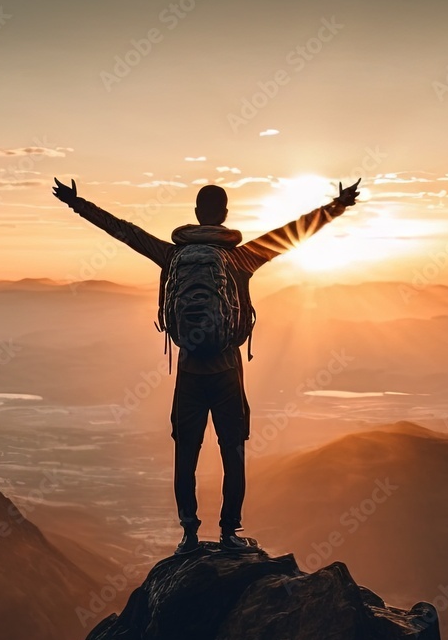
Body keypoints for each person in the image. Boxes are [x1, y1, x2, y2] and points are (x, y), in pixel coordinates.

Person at [53, 176, 360, 554]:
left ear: (197, 214)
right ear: (225, 215)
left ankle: (188, 534)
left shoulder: (172, 254)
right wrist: (338, 205)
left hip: (189, 373)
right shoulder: (242, 257)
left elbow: (124, 232)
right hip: (228, 371)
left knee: (187, 454)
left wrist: (77, 203)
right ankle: (230, 533)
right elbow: (294, 231)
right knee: (232, 452)